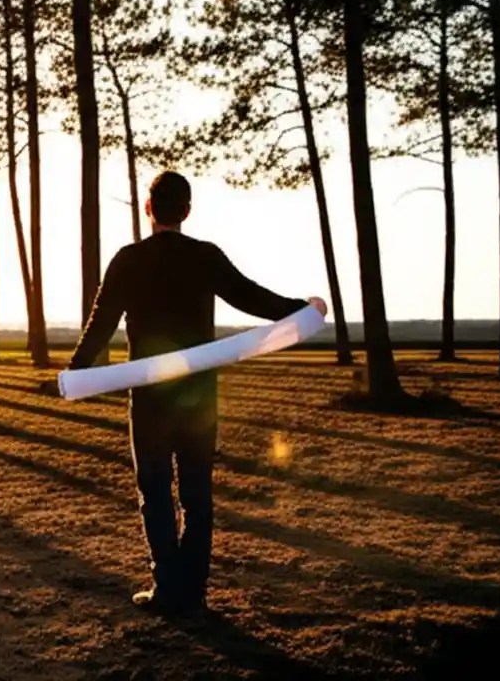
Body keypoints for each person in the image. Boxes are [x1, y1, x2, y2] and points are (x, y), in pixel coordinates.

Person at [66, 171, 326, 617]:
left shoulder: (128, 259)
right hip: (199, 397)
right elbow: (252, 297)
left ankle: (168, 589)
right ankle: (195, 592)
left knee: (155, 492)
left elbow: (102, 321)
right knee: (196, 494)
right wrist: (301, 310)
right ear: (187, 211)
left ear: (149, 209)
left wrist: (76, 372)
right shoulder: (205, 257)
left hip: (150, 398)